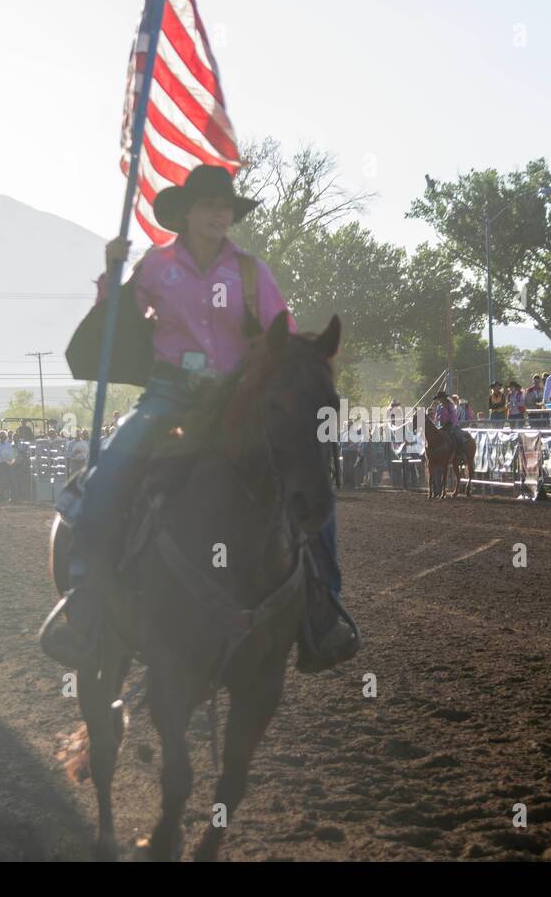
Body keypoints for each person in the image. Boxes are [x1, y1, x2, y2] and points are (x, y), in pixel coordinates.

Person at [40, 164, 358, 672]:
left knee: (310, 485)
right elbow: (117, 325)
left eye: (225, 207)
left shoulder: (252, 272)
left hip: (237, 399)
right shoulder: (154, 267)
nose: (219, 214)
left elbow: (286, 335)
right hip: (168, 396)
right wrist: (111, 278)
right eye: (210, 205)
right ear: (186, 213)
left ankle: (323, 611)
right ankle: (85, 600)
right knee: (108, 473)